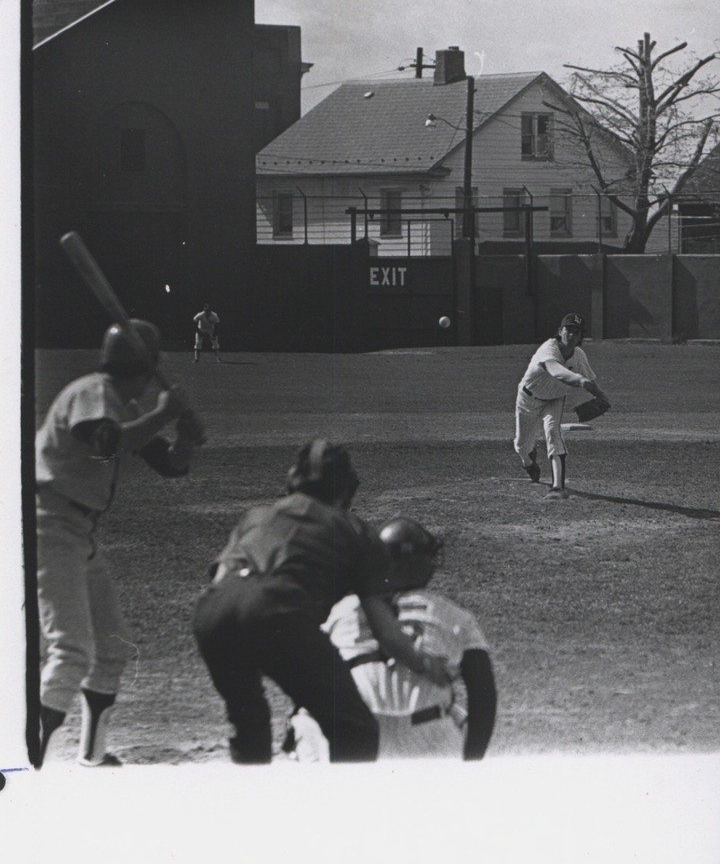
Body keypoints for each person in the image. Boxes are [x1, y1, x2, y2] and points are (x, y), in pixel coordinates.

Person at [192, 440, 452, 764]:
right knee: (355, 730)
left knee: (249, 725)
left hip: (212, 611)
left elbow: (220, 578)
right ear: (347, 489)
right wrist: (425, 664)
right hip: (276, 609)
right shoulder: (355, 530)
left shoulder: (256, 516)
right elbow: (384, 630)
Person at [32, 320, 199, 769]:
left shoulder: (117, 404)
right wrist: (165, 414)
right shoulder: (94, 390)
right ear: (145, 369)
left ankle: (92, 754)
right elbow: (105, 446)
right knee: (72, 650)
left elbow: (166, 465)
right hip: (48, 525)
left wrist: (184, 440)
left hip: (76, 532)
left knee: (111, 649)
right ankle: (29, 766)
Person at [285, 517, 497, 762]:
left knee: (306, 715)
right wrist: (472, 760)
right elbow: (484, 693)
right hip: (428, 734)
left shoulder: (342, 610)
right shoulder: (454, 615)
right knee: (456, 715)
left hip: (354, 733)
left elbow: (306, 675)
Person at [513, 312, 610, 500]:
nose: (572, 335)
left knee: (552, 432)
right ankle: (528, 461)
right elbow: (556, 371)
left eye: (577, 332)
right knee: (521, 445)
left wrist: (602, 396)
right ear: (560, 331)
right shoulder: (548, 349)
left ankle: (557, 487)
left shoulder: (579, 356)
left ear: (582, 337)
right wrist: (579, 380)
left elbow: (590, 380)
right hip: (528, 399)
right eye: (569, 330)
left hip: (555, 399)